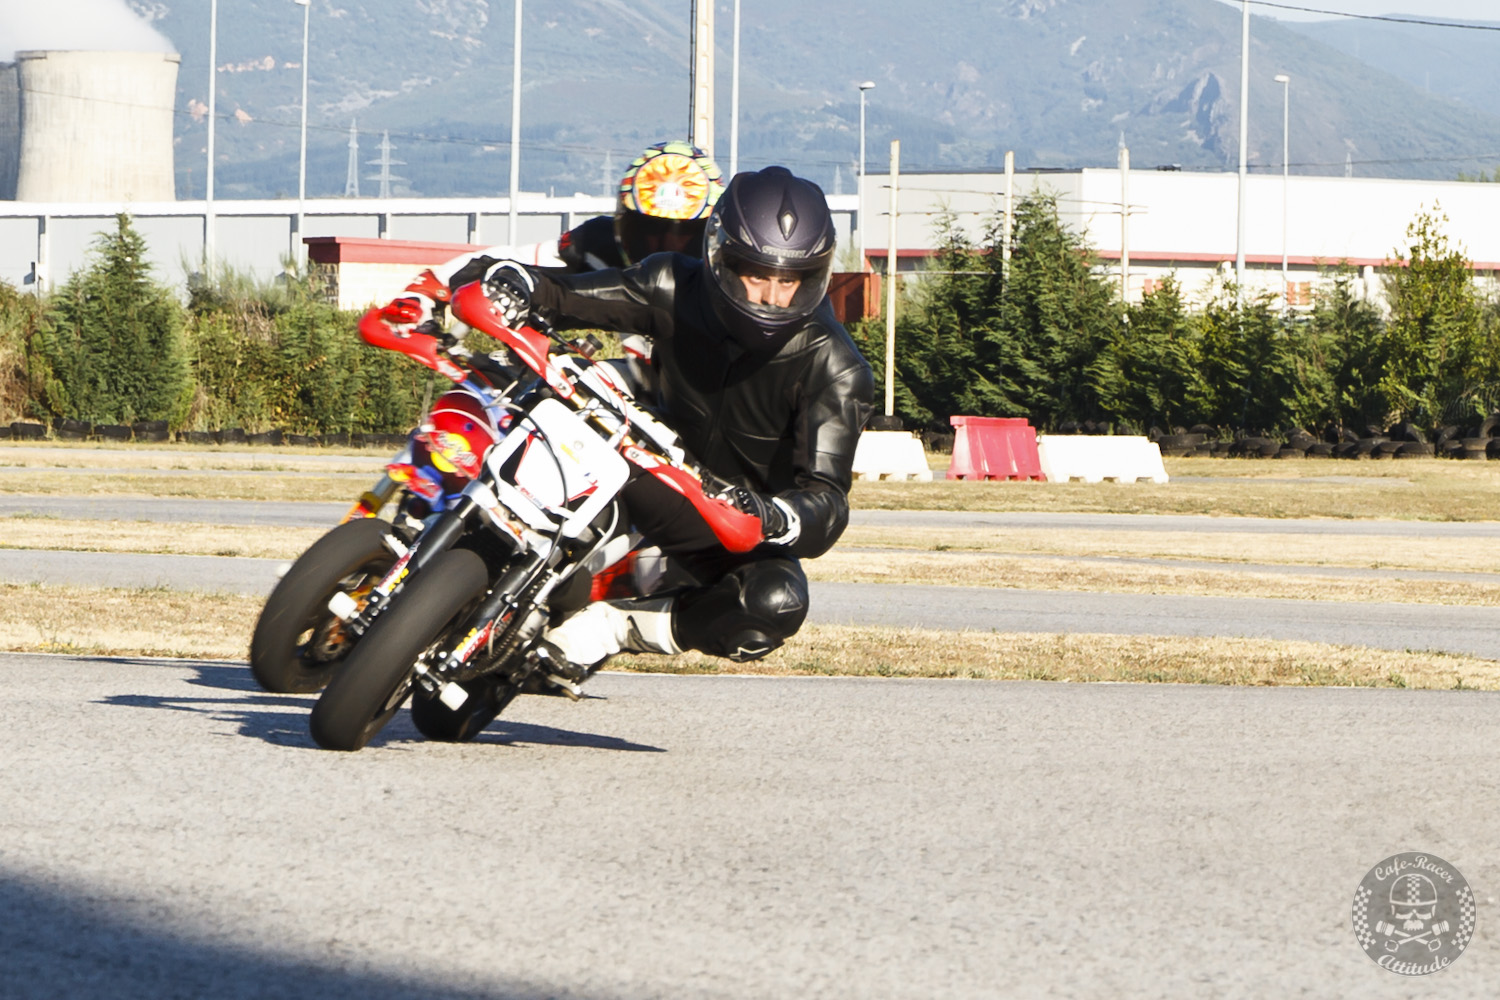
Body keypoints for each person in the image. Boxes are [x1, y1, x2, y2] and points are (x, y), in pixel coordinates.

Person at [478, 165, 874, 670]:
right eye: (757, 274)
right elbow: (566, 295)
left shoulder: (838, 368)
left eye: (790, 280)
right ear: (721, 257)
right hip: (641, 463)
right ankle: (447, 531)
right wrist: (521, 284)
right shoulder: (672, 282)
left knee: (775, 601)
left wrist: (774, 515)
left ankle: (608, 628)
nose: (773, 297)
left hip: (725, 518)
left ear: (815, 276)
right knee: (535, 398)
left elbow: (827, 498)